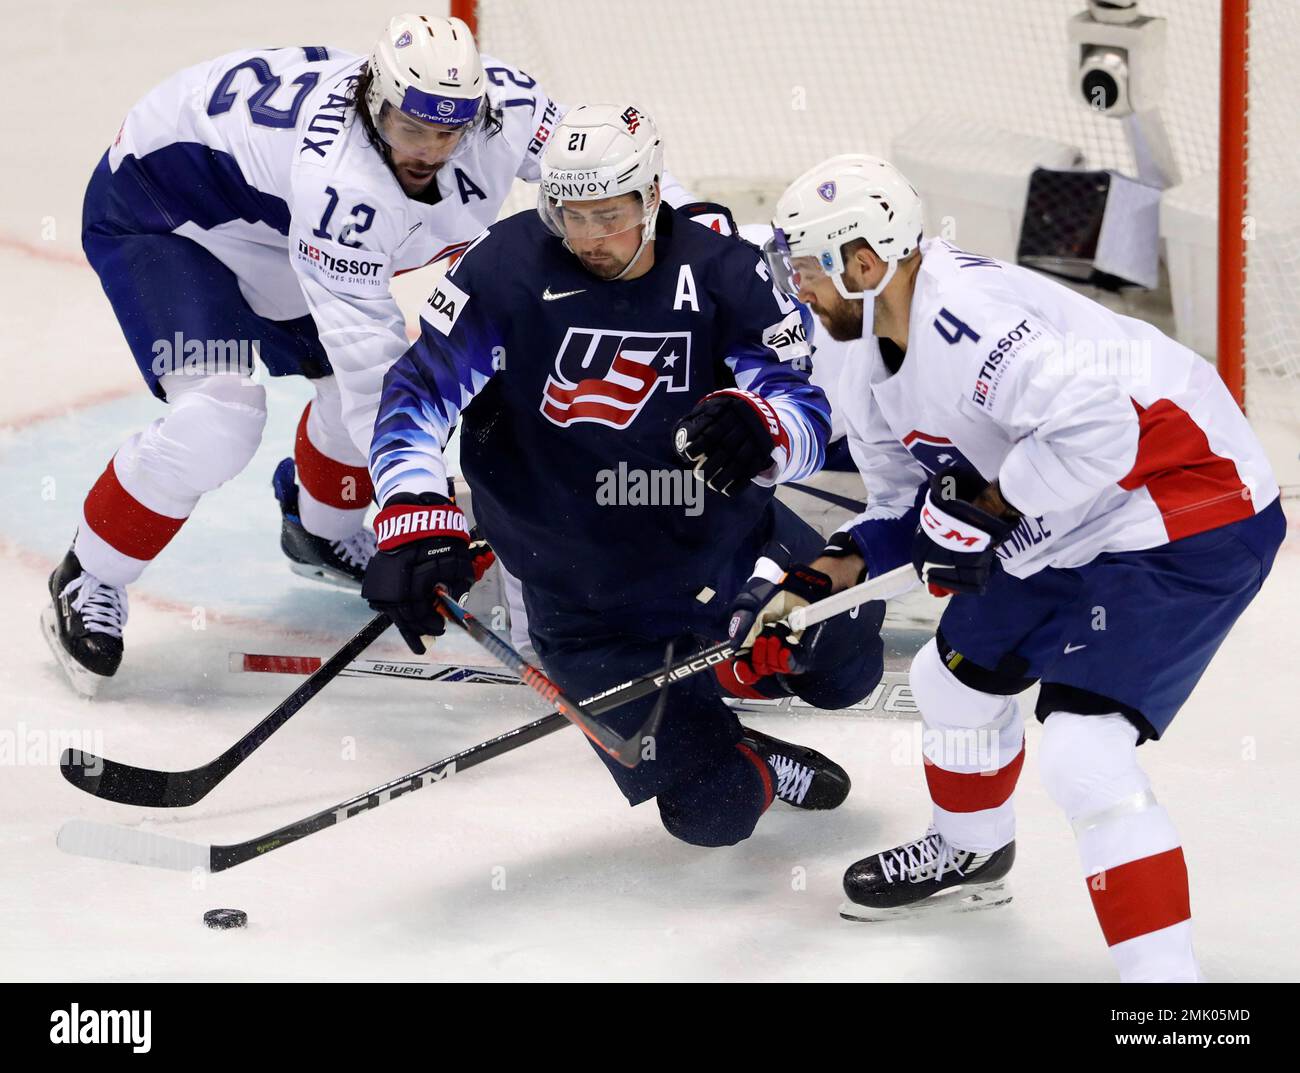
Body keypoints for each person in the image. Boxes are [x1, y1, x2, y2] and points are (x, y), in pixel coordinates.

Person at [766, 153, 1285, 981]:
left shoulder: (969, 322)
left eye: (804, 270)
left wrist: (985, 508)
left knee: (1083, 753)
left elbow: (1103, 435)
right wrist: (819, 576)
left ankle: (1168, 995)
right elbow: (904, 500)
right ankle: (972, 852)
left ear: (863, 263)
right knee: (953, 683)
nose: (796, 289)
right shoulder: (851, 339)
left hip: (1186, 499)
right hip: (1069, 507)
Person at [361, 105, 887, 847]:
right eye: (569, 215)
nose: (587, 239)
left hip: (726, 549)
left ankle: (729, 670)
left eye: (608, 215)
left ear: (649, 196)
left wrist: (765, 426)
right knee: (715, 808)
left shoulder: (722, 270)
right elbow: (419, 389)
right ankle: (744, 750)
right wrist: (415, 512)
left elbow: (800, 401)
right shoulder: (504, 269)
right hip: (585, 600)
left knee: (848, 664)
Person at [46, 14, 568, 694]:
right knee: (219, 417)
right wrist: (418, 509)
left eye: (449, 133)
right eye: (411, 129)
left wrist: (696, 226)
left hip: (272, 214)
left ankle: (319, 529)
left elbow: (604, 162)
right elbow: (372, 375)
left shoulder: (506, 105)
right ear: (374, 100)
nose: (430, 152)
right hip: (166, 214)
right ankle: (89, 571)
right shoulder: (341, 184)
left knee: (353, 393)